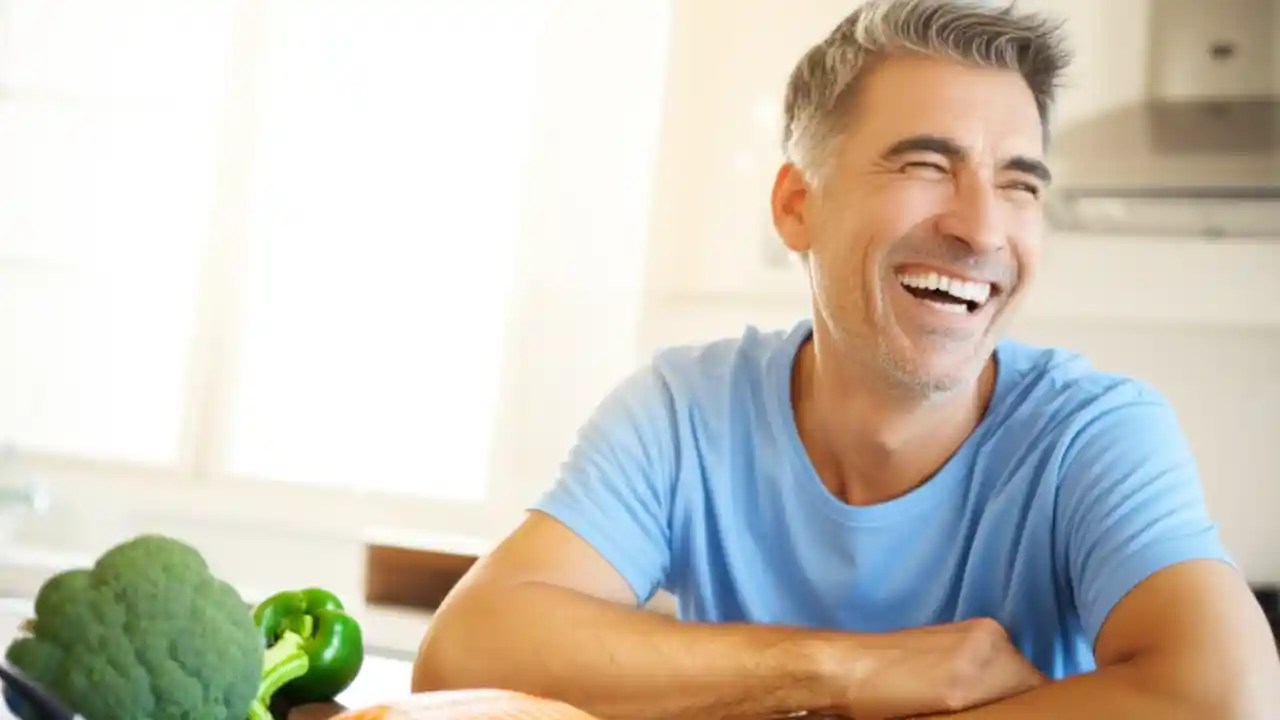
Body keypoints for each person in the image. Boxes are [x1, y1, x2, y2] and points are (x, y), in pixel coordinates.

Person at [412, 1, 1280, 717]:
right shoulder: (685, 411)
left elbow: (1230, 696)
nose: (982, 228)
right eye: (926, 164)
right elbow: (466, 652)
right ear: (798, 206)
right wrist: (849, 669)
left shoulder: (1093, 434)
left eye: (1019, 184)